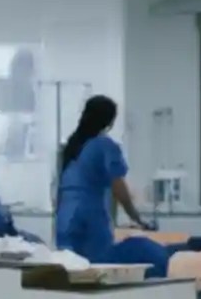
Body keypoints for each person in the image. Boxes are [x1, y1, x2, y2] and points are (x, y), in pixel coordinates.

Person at [55, 95, 151, 261]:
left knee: (67, 269)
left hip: (65, 217)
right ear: (109, 121)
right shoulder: (105, 146)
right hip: (90, 218)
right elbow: (118, 187)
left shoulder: (70, 147)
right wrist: (137, 218)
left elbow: (58, 190)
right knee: (97, 269)